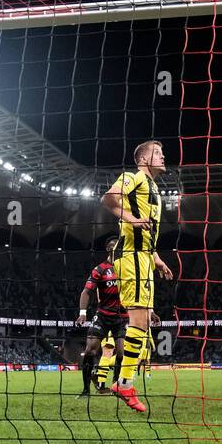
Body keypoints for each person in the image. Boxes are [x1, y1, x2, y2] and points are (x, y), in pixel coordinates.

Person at [101, 140, 175, 412]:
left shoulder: (154, 187)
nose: (163, 155)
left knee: (142, 324)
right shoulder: (133, 177)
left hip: (144, 257)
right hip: (130, 256)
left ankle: (124, 382)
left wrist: (156, 259)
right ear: (143, 159)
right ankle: (123, 383)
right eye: (158, 152)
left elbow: (148, 234)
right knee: (138, 321)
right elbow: (108, 198)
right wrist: (130, 219)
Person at [75, 235, 125, 397]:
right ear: (109, 249)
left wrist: (149, 310)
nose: (116, 249)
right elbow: (86, 291)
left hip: (121, 317)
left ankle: (116, 386)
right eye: (114, 246)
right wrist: (82, 313)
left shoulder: (127, 268)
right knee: (90, 350)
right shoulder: (100, 269)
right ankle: (85, 390)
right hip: (102, 315)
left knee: (122, 352)